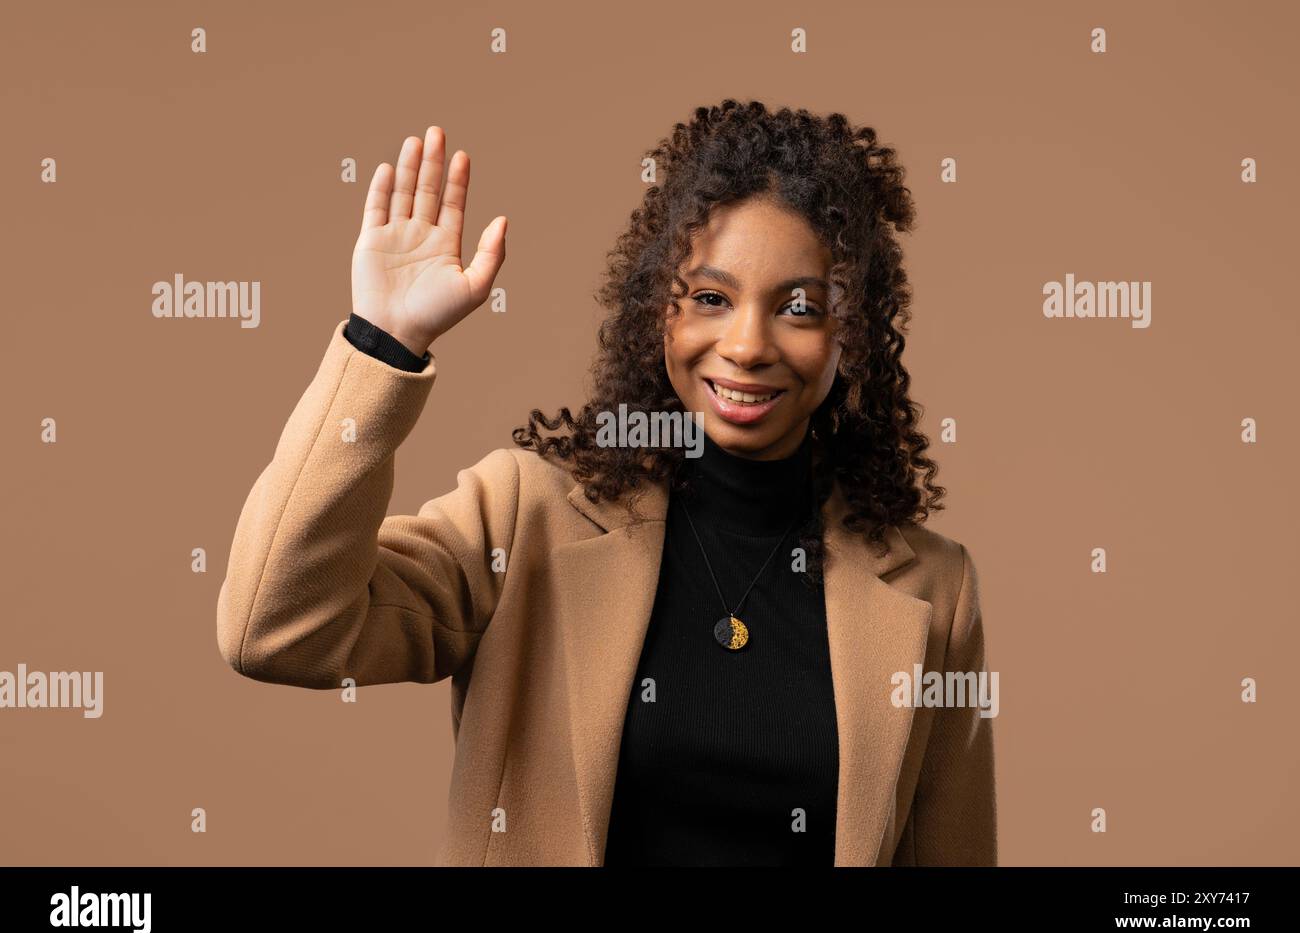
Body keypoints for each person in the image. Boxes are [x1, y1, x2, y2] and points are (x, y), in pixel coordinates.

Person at [216, 100, 997, 867]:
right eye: (712, 299)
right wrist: (385, 342)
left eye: (799, 308)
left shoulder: (934, 589)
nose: (748, 344)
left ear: (852, 332)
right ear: (660, 309)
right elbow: (279, 629)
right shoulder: (525, 519)